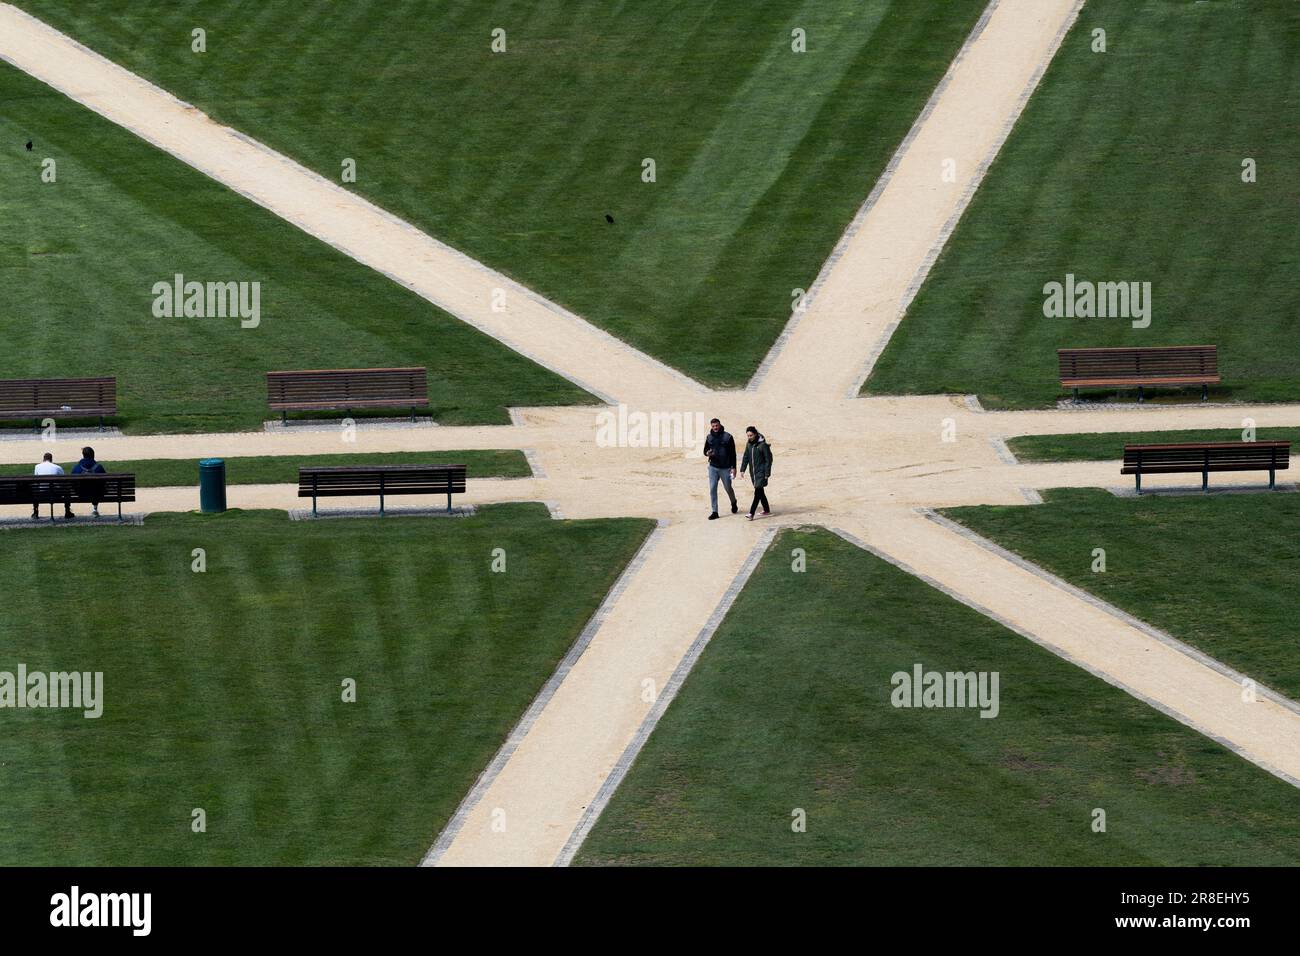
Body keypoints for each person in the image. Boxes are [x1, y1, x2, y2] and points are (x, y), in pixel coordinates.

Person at [702, 418, 738, 520]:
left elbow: (733, 454)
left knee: (728, 488)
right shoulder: (709, 437)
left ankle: (733, 502)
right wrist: (707, 453)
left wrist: (734, 468)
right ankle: (715, 511)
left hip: (725, 468)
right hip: (713, 467)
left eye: (716, 426)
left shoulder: (728, 437)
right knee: (712, 488)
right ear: (711, 427)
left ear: (720, 425)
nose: (715, 428)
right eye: (713, 426)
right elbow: (705, 450)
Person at [739, 426, 772, 519]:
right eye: (748, 436)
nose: (749, 437)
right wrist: (742, 469)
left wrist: (767, 473)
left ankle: (751, 513)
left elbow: (768, 460)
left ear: (756, 434)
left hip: (761, 473)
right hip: (753, 473)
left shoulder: (763, 445)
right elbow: (746, 457)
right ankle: (766, 510)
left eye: (751, 435)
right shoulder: (748, 444)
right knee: (760, 491)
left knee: (757, 493)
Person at [32, 452, 70, 519]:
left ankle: (35, 511)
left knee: (35, 490)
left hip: (42, 493)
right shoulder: (58, 467)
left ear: (43, 459)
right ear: (51, 460)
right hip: (56, 493)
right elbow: (64, 482)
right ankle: (67, 511)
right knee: (66, 489)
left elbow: (36, 482)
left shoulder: (37, 467)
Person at [71, 446, 107, 518]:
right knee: (97, 487)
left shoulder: (77, 467)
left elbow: (72, 482)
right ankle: (95, 509)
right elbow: (104, 482)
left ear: (83, 455)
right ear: (93, 455)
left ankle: (67, 510)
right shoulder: (99, 467)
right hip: (96, 494)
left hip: (81, 494)